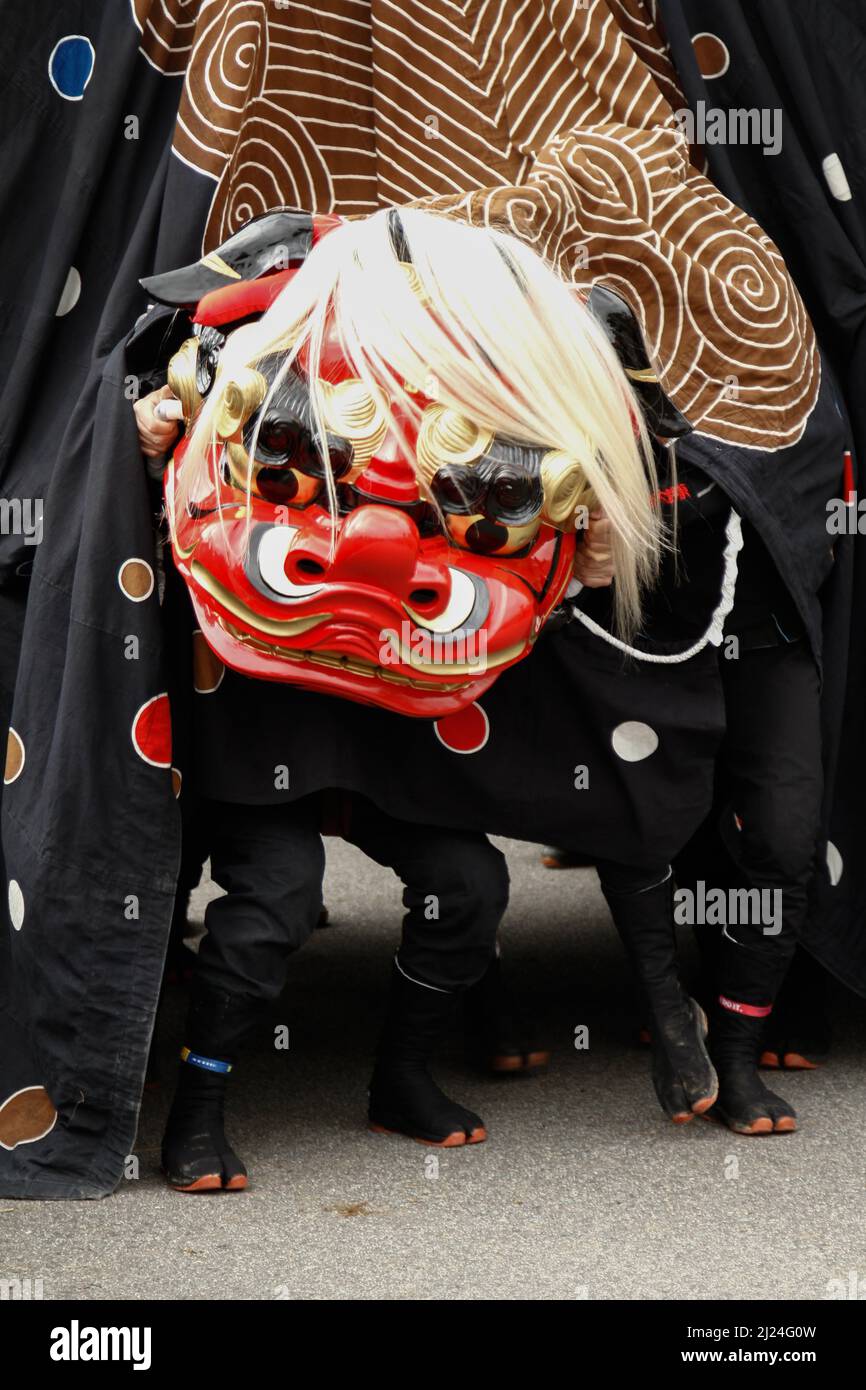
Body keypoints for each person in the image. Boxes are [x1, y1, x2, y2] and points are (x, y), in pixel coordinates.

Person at [133, 206, 688, 1189]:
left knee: (467, 887)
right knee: (273, 900)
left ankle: (399, 1075)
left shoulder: (479, 397)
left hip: (399, 721)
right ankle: (200, 1103)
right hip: (266, 710)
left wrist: (583, 541)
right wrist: (152, 435)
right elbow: (156, 438)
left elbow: (583, 512)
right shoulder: (267, 368)